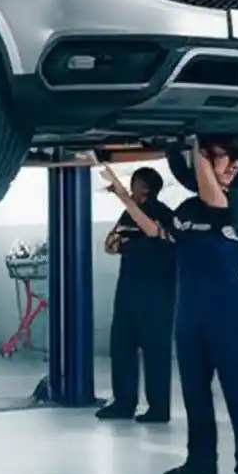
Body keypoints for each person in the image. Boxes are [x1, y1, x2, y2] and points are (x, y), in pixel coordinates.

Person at [161, 136, 238, 474]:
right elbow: (166, 236)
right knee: (194, 391)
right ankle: (200, 461)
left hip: (226, 314)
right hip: (188, 314)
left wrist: (199, 145)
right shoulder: (186, 208)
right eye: (224, 158)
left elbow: (215, 202)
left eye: (235, 160)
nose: (232, 165)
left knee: (237, 391)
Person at [96, 165, 176, 424]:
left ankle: (159, 408)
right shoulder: (128, 216)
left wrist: (131, 244)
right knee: (122, 348)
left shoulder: (163, 214)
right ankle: (123, 403)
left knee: (156, 353)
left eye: (135, 183)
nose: (131, 188)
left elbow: (155, 237)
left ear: (147, 188)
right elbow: (110, 244)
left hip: (156, 296)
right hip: (128, 294)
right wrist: (134, 244)